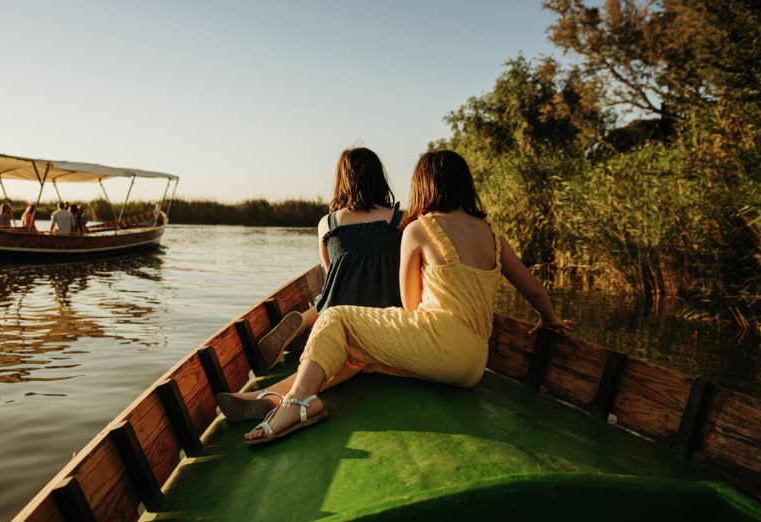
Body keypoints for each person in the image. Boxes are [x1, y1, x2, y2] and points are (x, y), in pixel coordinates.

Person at [220, 149, 575, 445]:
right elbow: (535, 290)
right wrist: (549, 319)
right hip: (473, 365)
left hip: (440, 347)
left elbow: (409, 306)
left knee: (335, 317)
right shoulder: (492, 235)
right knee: (356, 357)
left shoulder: (421, 229)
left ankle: (296, 402)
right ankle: (274, 397)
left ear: (424, 184)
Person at [252, 147, 404, 374]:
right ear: (379, 178)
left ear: (342, 180)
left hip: (339, 305)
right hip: (384, 307)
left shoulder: (327, 223)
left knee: (330, 299)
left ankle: (305, 321)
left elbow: (330, 272)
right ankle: (308, 324)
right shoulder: (401, 220)